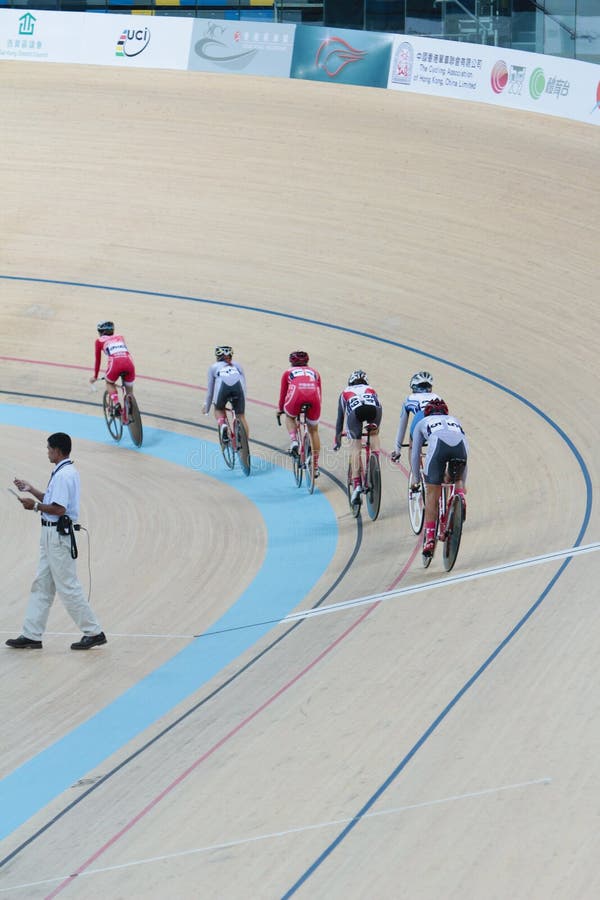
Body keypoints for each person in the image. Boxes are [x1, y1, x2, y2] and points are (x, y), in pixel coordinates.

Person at [6, 433, 107, 651]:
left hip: (57, 537)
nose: (47, 452)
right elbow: (53, 501)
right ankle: (32, 634)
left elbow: (59, 509)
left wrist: (33, 506)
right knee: (42, 585)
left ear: (58, 451)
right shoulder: (64, 471)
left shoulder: (63, 475)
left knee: (68, 586)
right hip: (51, 536)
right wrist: (31, 489)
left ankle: (94, 632)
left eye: (49, 448)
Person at [410, 399, 468, 556]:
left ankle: (429, 538)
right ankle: (460, 495)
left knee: (432, 494)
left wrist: (416, 479)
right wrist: (463, 482)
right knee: (456, 474)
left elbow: (415, 455)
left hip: (438, 448)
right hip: (460, 448)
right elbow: (466, 453)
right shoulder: (455, 420)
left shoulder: (422, 422)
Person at [334, 370, 382, 505]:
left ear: (350, 382)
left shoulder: (344, 392)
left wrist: (337, 439)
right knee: (374, 432)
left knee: (355, 448)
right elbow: (378, 404)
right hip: (374, 410)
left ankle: (357, 486)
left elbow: (340, 418)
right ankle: (375, 459)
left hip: (356, 412)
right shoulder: (371, 389)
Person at [277, 350, 322, 477]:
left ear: (292, 362)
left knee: (290, 416)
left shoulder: (287, 372)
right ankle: (315, 466)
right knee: (314, 431)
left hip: (296, 396)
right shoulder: (315, 372)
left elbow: (283, 394)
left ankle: (294, 441)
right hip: (314, 399)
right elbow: (320, 393)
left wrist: (281, 409)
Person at [391, 371, 440, 462]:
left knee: (413, 443)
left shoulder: (410, 398)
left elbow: (402, 427)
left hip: (422, 421)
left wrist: (397, 450)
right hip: (440, 424)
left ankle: (415, 474)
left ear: (414, 387)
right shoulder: (438, 397)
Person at [89, 320, 136, 416]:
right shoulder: (120, 337)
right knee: (129, 390)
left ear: (101, 332)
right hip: (129, 363)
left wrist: (95, 376)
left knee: (109, 382)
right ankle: (129, 400)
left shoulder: (99, 341)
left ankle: (116, 404)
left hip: (115, 363)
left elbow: (98, 360)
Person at [202, 345, 249, 440]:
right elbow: (244, 383)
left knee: (218, 409)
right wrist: (243, 399)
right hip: (239, 389)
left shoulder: (213, 367)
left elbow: (210, 391)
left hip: (223, 389)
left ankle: (223, 425)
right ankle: (245, 444)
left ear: (218, 357)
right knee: (241, 416)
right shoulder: (238, 365)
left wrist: (207, 408)